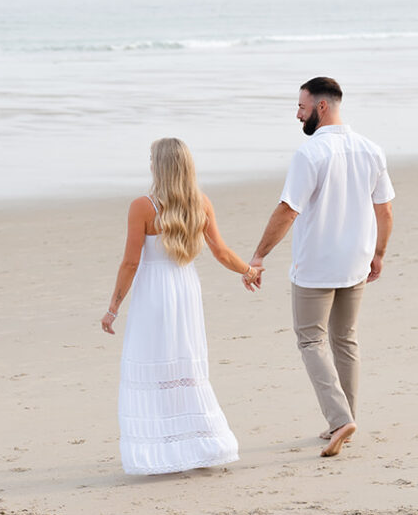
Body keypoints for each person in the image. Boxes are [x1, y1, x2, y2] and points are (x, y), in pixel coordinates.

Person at [246, 77, 395, 458]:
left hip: (316, 265)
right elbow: (385, 209)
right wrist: (378, 252)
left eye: (301, 107)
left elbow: (287, 210)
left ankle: (339, 417)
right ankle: (344, 420)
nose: (298, 114)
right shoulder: (371, 149)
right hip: (356, 261)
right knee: (345, 339)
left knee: (311, 340)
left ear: (321, 107)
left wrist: (259, 255)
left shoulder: (310, 153)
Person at [100, 137, 260, 475]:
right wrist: (248, 271)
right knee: (185, 366)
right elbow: (221, 252)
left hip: (154, 292)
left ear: (159, 166)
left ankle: (162, 450)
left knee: (153, 364)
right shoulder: (200, 203)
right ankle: (199, 442)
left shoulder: (143, 207)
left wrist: (113, 307)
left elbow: (130, 263)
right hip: (185, 289)